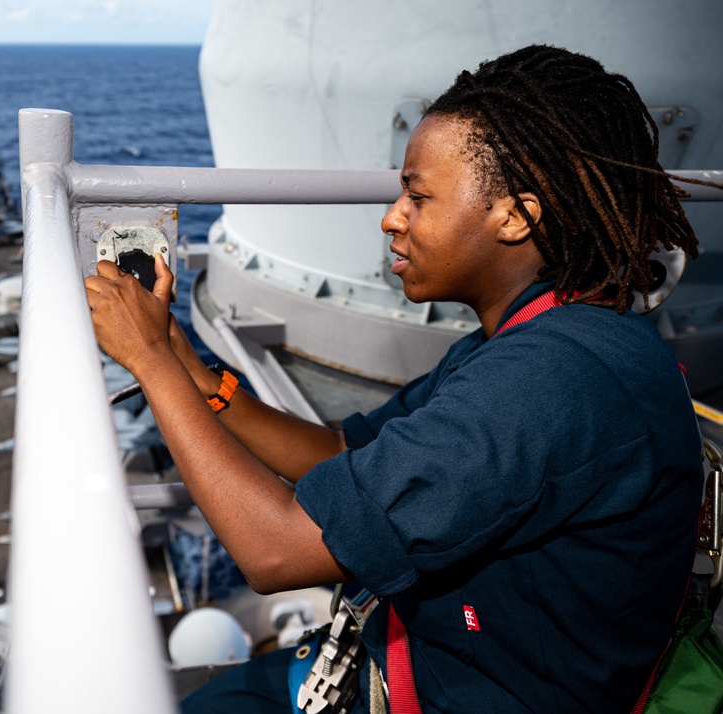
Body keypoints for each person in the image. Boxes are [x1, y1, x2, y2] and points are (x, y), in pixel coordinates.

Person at [85, 45, 712, 712]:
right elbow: (345, 455)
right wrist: (193, 371)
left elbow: (274, 552)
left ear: (516, 215)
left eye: (418, 195)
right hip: (396, 666)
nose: (392, 216)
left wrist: (151, 365)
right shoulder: (547, 335)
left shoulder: (547, 383)